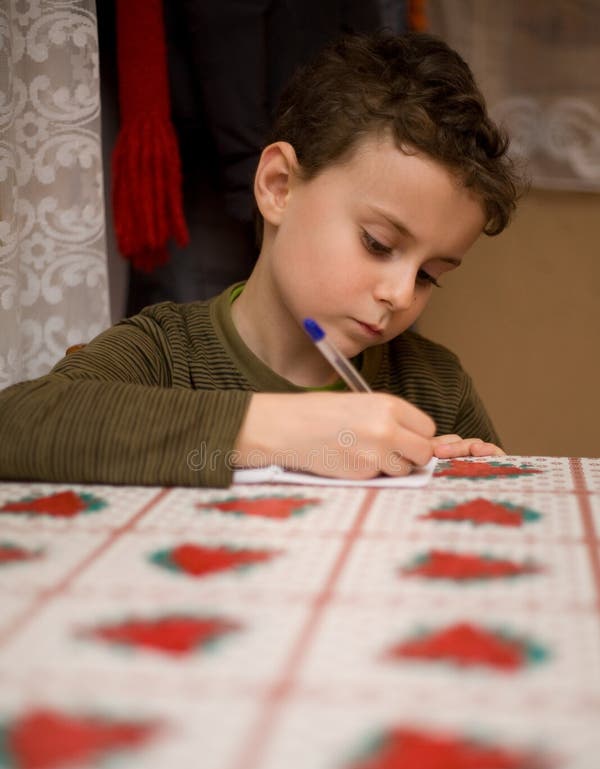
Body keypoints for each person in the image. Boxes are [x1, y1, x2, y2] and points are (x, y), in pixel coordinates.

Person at [0, 32, 521, 488]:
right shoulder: (165, 355)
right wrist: (285, 430)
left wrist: (476, 486)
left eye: (430, 276)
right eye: (378, 244)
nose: (402, 294)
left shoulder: (436, 388)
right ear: (278, 187)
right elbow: (16, 425)